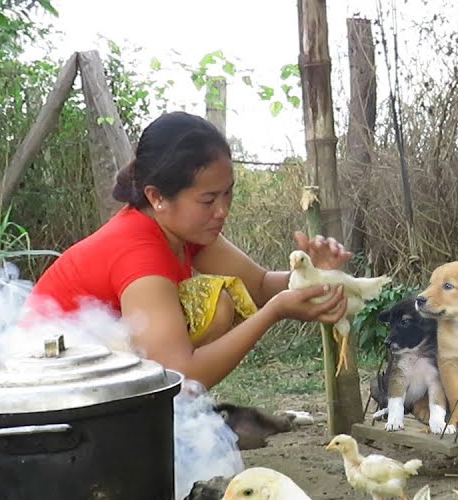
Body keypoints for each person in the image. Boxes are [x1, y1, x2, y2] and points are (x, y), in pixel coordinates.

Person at [25, 111, 349, 388]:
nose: (222, 210)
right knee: (218, 306)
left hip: (92, 375)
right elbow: (178, 376)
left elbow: (261, 285)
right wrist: (274, 313)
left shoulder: (185, 229)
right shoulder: (139, 254)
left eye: (227, 194)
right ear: (157, 197)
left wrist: (311, 274)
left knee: (218, 304)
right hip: (48, 383)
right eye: (208, 200)